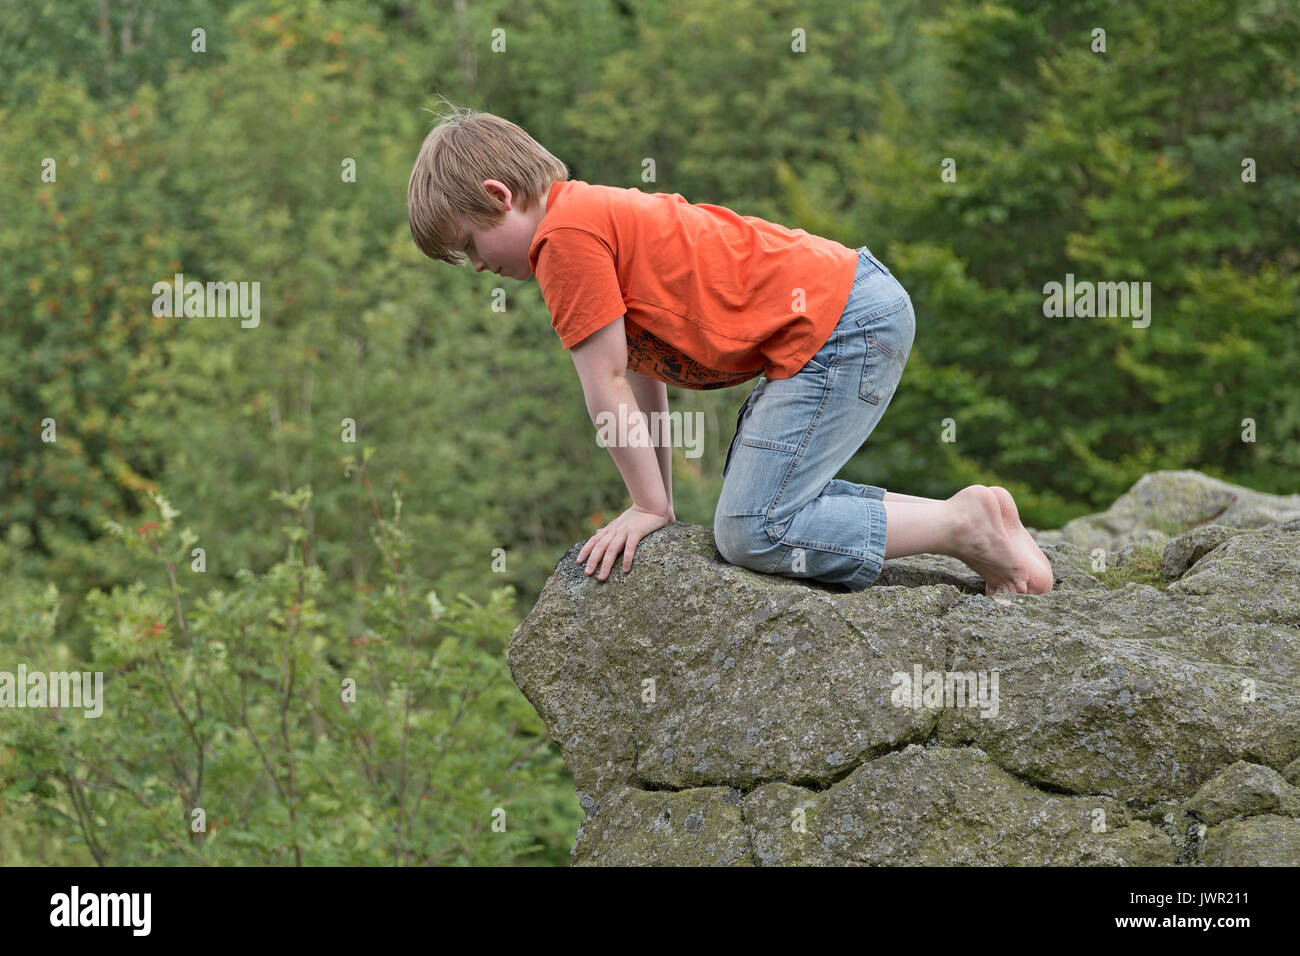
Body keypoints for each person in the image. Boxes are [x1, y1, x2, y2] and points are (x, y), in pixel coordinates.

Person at [407, 105, 1053, 596]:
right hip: (854, 306)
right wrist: (655, 500)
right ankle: (969, 516)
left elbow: (603, 385)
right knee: (765, 508)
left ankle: (964, 529)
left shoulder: (564, 240)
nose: (473, 265)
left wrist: (648, 507)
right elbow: (639, 379)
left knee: (752, 529)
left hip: (840, 324)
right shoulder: (589, 218)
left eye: (468, 245)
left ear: (499, 196)